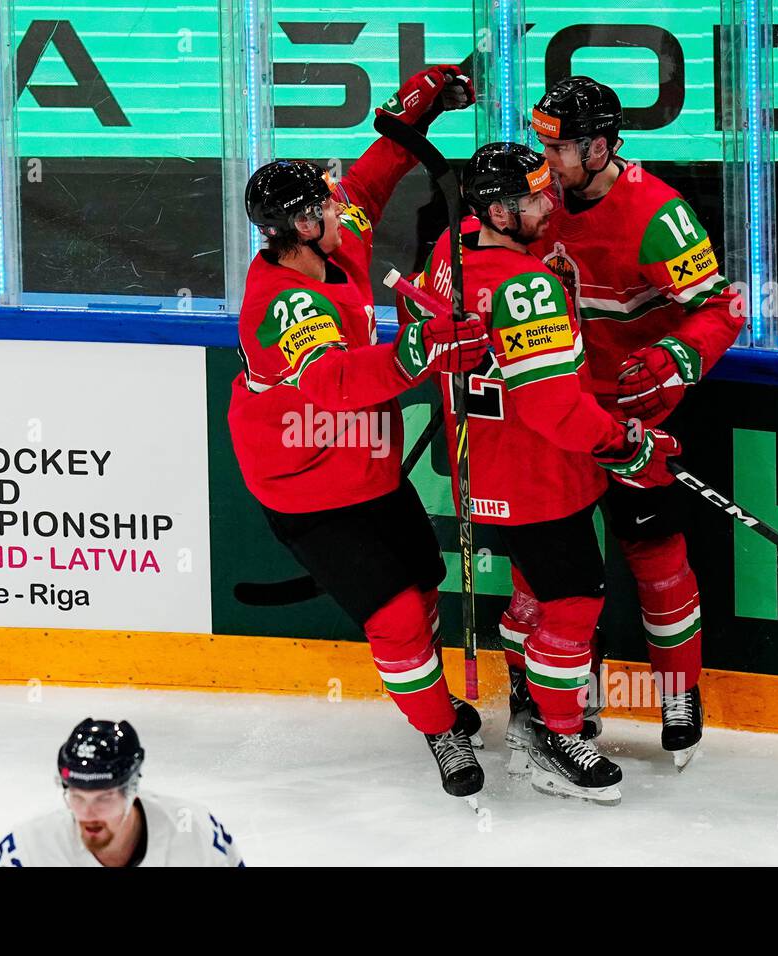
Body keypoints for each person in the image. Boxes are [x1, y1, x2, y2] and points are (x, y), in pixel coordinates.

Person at [227, 66, 493, 797]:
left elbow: (370, 185)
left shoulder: (328, 242)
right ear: (298, 227)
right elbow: (334, 385)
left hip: (368, 467)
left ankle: (430, 694)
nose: (338, 206)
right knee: (399, 616)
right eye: (323, 204)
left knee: (424, 584)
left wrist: (413, 120)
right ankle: (440, 732)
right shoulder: (280, 304)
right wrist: (424, 349)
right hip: (308, 488)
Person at [403, 142, 681, 803]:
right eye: (532, 197)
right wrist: (625, 442)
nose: (548, 201)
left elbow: (417, 322)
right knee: (575, 599)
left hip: (484, 467)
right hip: (540, 474)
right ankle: (555, 738)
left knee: (536, 597)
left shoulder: (452, 248)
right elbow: (555, 409)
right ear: (498, 210)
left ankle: (530, 706)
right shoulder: (527, 287)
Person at [523, 76, 746, 769]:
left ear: (599, 147)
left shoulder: (657, 215)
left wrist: (678, 353)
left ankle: (679, 692)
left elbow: (725, 307)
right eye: (542, 141)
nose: (545, 158)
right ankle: (570, 700)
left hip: (627, 416)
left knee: (653, 556)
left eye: (556, 147)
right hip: (556, 416)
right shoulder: (533, 204)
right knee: (551, 571)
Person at [0, 718, 243, 867]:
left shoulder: (194, 833)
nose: (87, 813)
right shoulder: (29, 849)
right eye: (77, 797)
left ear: (132, 791)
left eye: (104, 798)